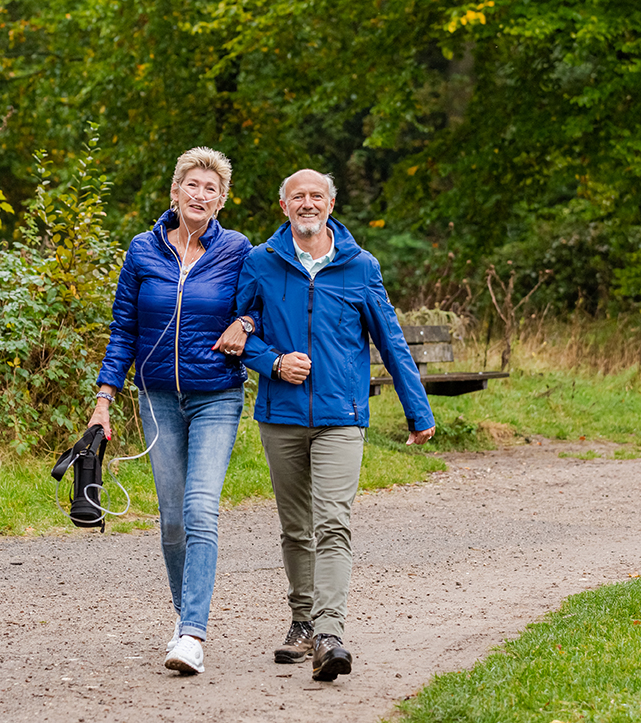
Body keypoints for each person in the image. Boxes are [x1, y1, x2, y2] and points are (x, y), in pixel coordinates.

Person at [218, 168, 435, 682]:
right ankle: (301, 622)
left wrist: (418, 410)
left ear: (331, 204)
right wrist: (272, 361)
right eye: (298, 197)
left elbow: (391, 340)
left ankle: (330, 632)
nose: (308, 203)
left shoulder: (362, 267)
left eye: (317, 196)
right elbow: (235, 333)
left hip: (342, 416)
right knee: (295, 529)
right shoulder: (260, 263)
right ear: (283, 207)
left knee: (332, 523)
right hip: (281, 416)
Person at [88, 147, 256, 676]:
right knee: (172, 520)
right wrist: (103, 403)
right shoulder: (142, 250)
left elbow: (259, 303)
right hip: (157, 398)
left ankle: (191, 635)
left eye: (211, 189)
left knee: (200, 509)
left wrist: (246, 324)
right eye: (192, 185)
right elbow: (122, 333)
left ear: (221, 199)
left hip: (217, 396)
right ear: (175, 192)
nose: (200, 195)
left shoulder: (237, 249)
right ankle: (187, 615)